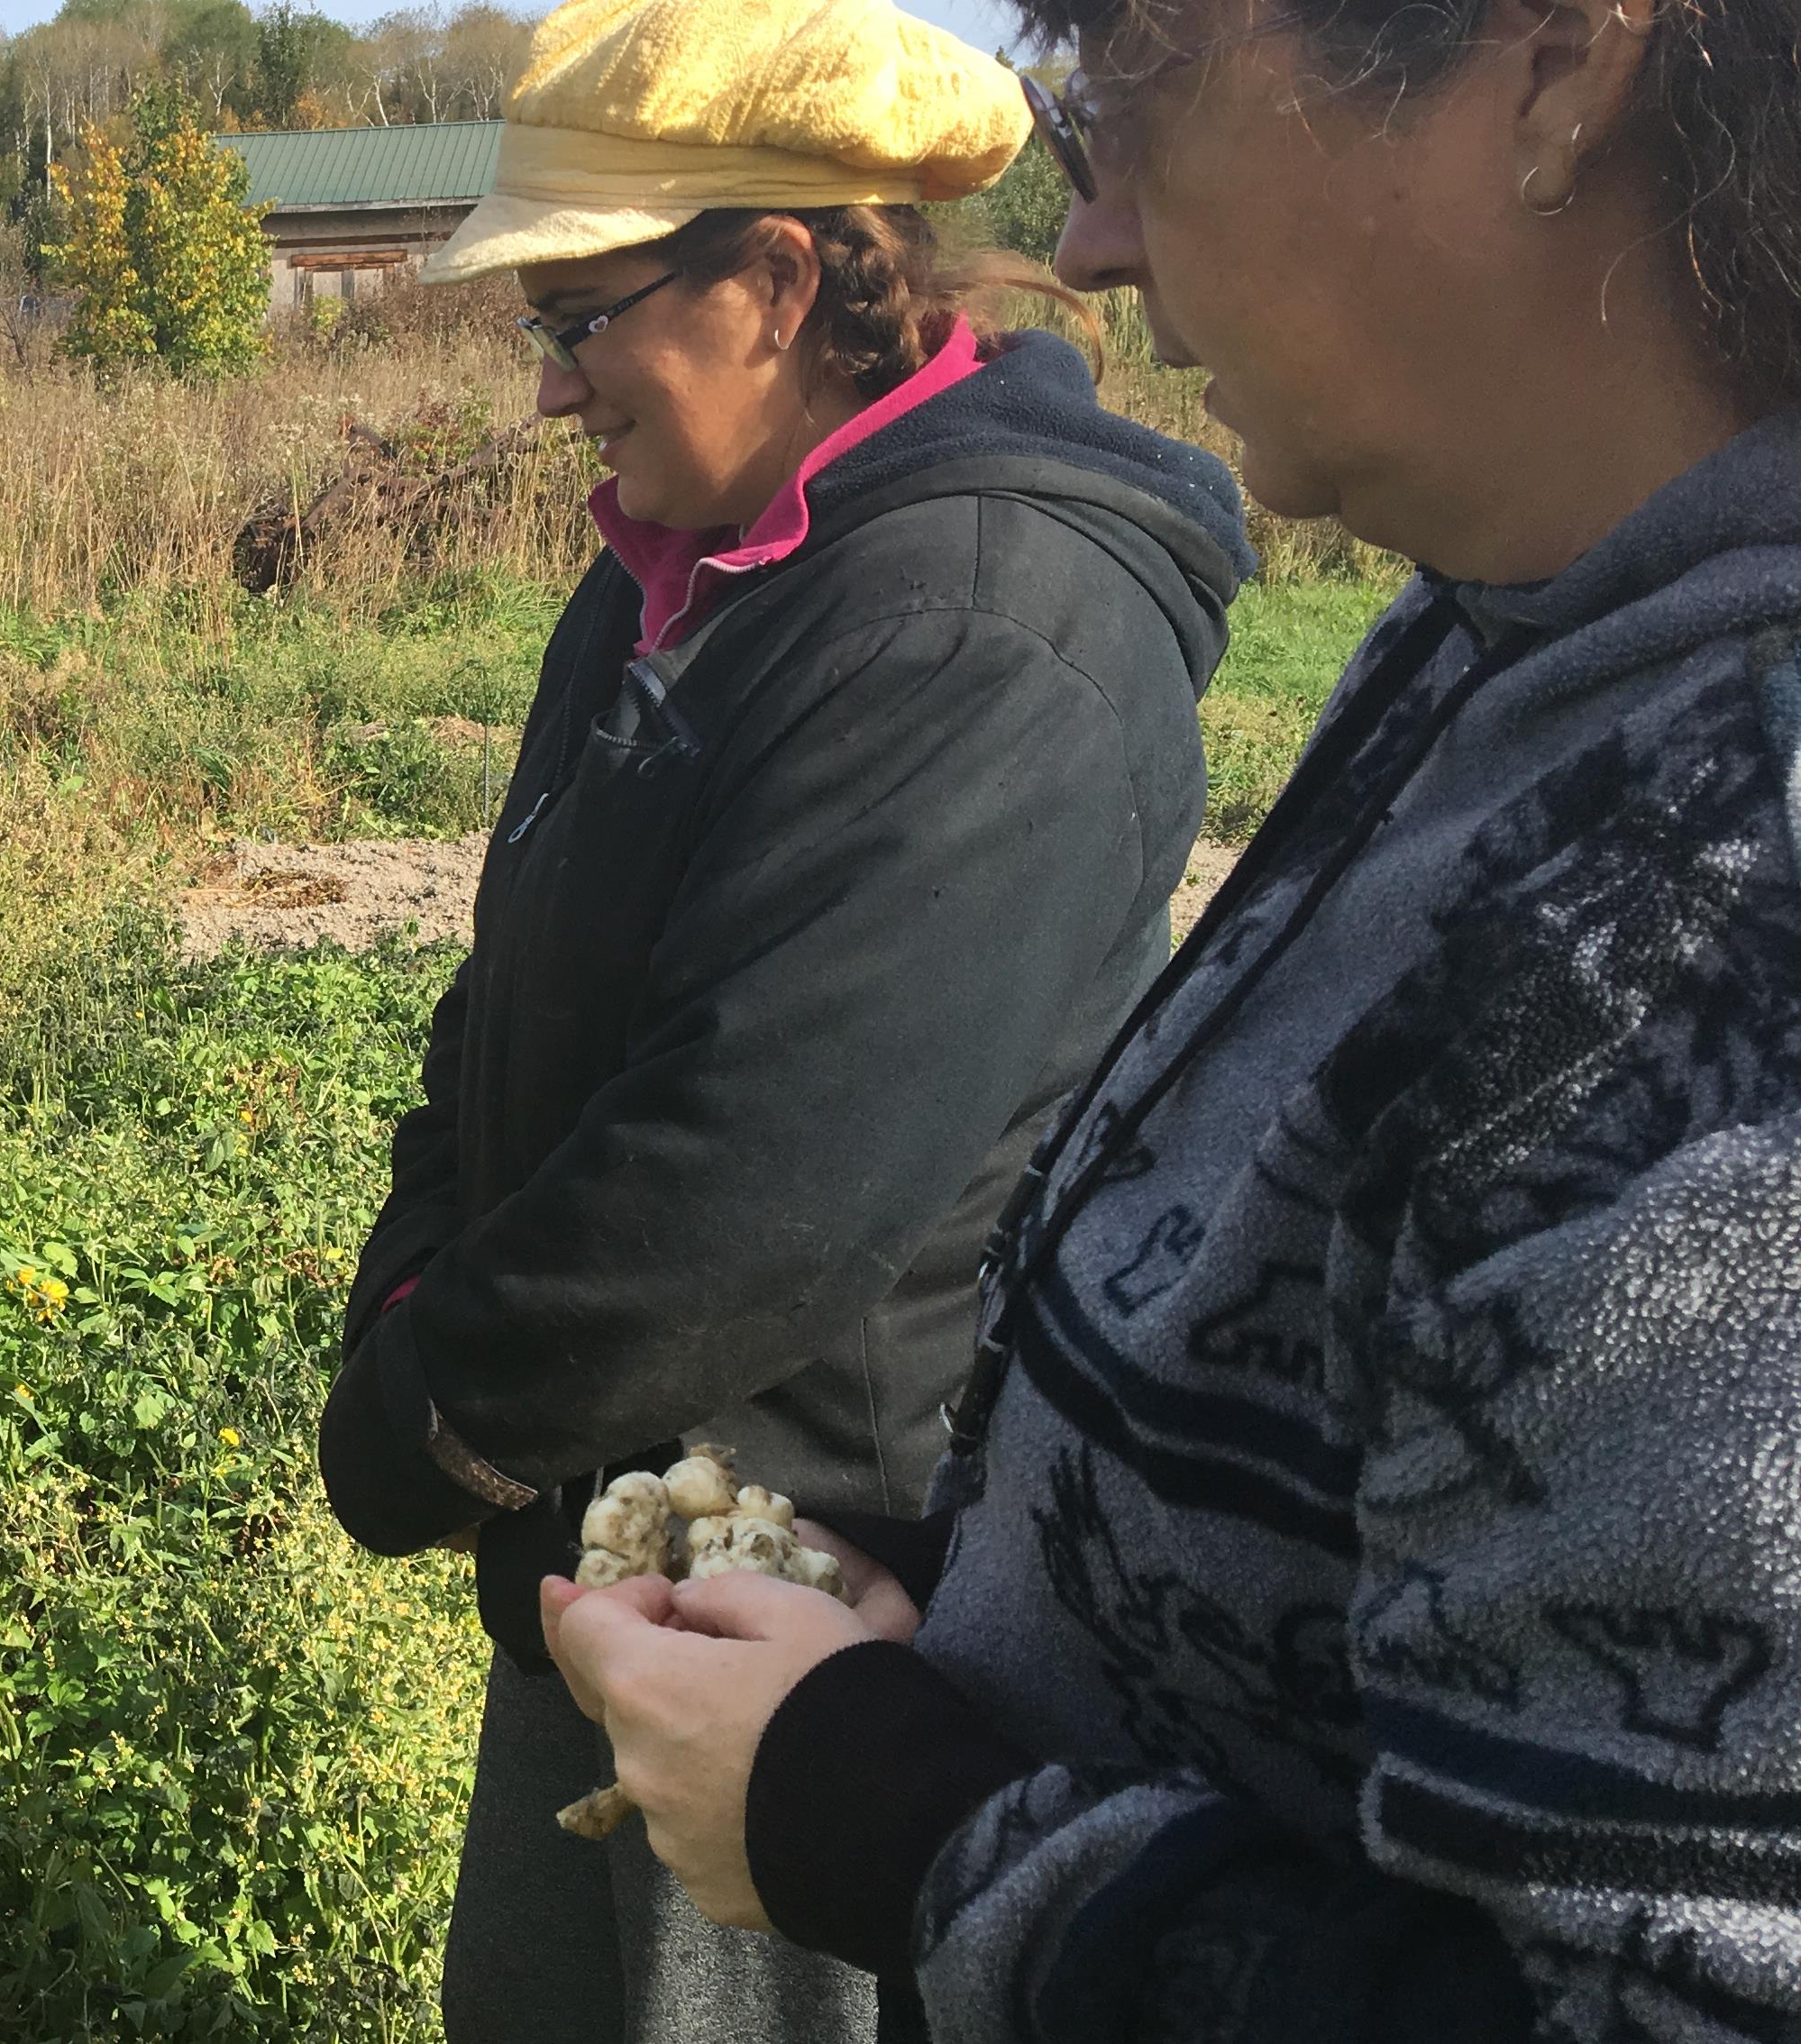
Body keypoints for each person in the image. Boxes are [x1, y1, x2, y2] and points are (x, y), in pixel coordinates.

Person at [538, 0, 1801, 2033]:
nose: (1097, 231)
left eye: (1138, 103)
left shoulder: (1741, 892)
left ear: (1562, 64)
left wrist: (902, 1819)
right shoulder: (1501, 641)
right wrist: (986, 1625)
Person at [308, 0, 1252, 2035]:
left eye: (584, 317)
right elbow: (510, 985)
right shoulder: (693, 560)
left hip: (809, 1593)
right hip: (620, 1546)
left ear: (778, 276)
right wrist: (414, 1279)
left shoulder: (981, 629)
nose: (557, 388)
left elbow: (749, 1184)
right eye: (540, 328)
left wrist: (421, 1421)